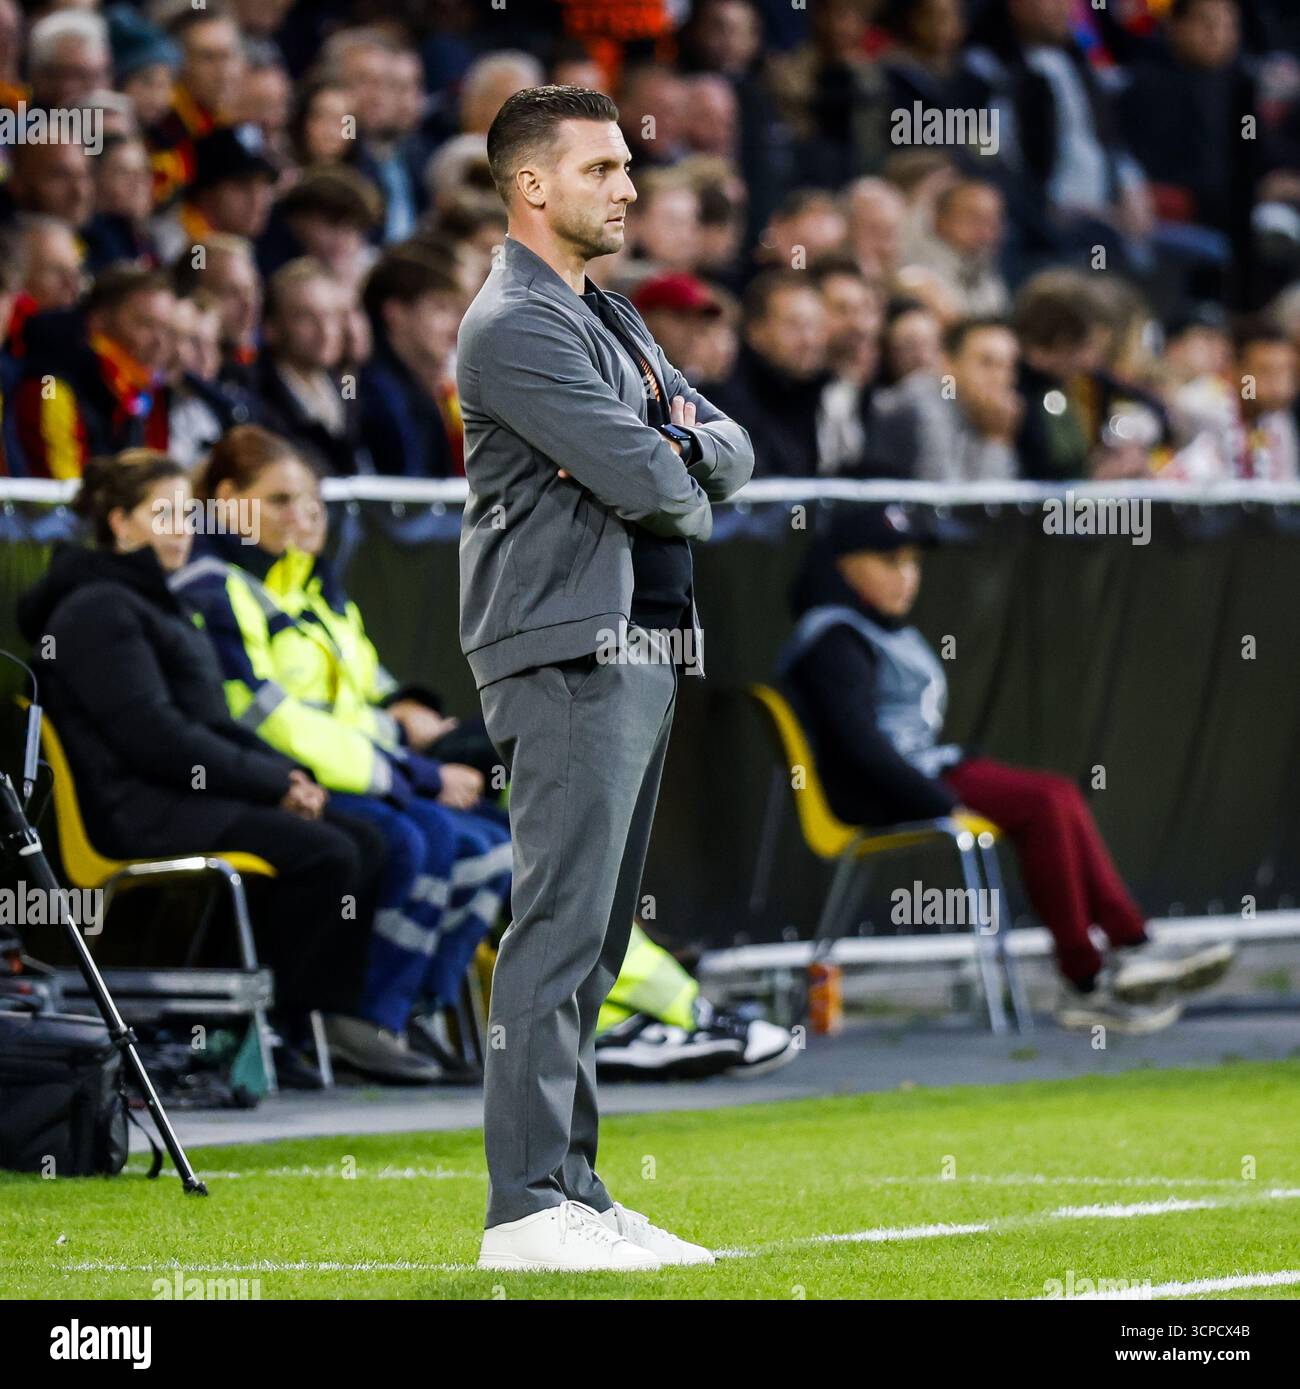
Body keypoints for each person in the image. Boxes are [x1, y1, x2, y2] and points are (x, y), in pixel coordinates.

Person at [460, 84, 753, 1272]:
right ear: (532, 185)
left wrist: (672, 446)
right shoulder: (518, 324)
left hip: (636, 640)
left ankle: (571, 1189)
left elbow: (725, 447)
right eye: (601, 169)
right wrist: (670, 450)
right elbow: (662, 482)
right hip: (568, 647)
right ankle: (524, 1208)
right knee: (559, 929)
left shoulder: (612, 315)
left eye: (626, 167)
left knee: (597, 945)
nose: (628, 188)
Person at [777, 503, 1235, 1035]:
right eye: (889, 562)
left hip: (922, 776)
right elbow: (858, 746)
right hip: (885, 792)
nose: (908, 576)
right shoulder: (832, 638)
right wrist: (940, 803)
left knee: (1057, 795)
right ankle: (1088, 977)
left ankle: (1129, 945)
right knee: (1044, 803)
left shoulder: (877, 628)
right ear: (842, 565)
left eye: (913, 563)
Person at [14, 448, 386, 1089]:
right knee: (329, 854)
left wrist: (286, 774)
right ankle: (274, 1030)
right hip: (140, 811)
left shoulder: (155, 602)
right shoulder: (98, 609)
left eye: (187, 512)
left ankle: (293, 1027)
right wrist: (270, 783)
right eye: (162, 513)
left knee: (362, 839)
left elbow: (210, 726)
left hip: (179, 796)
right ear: (119, 522)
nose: (181, 527)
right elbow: (156, 739)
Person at [173, 426, 511, 1084]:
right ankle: (359, 1017)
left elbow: (359, 693)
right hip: (276, 779)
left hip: (355, 766)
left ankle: (411, 1009)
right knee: (422, 837)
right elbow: (275, 722)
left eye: (313, 503)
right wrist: (411, 770)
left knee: (494, 841)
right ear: (228, 500)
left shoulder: (314, 587)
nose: (303, 517)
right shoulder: (215, 588)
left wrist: (405, 711)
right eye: (280, 501)